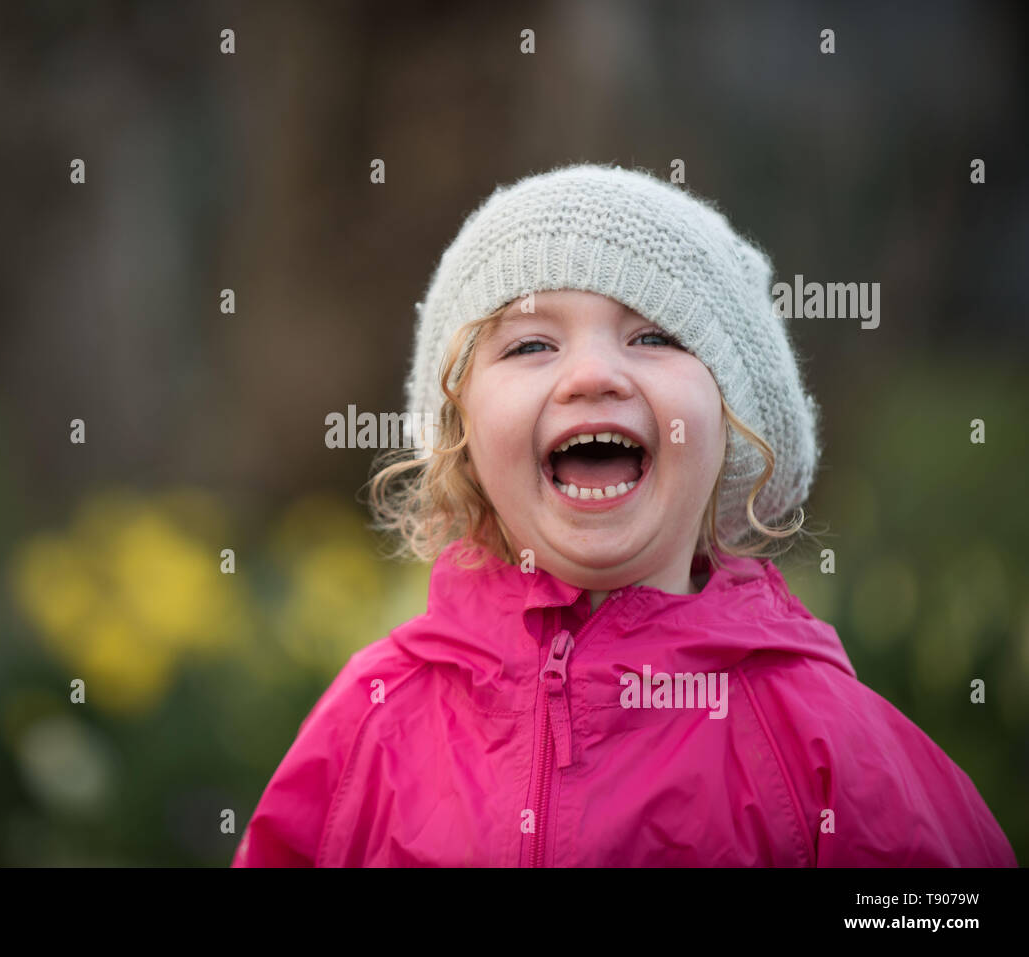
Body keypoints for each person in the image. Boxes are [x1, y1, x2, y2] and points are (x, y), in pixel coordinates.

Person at [230, 163, 1017, 866]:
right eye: (531, 345)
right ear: (462, 437)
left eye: (653, 335)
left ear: (731, 426)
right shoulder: (372, 717)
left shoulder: (822, 741)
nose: (593, 374)